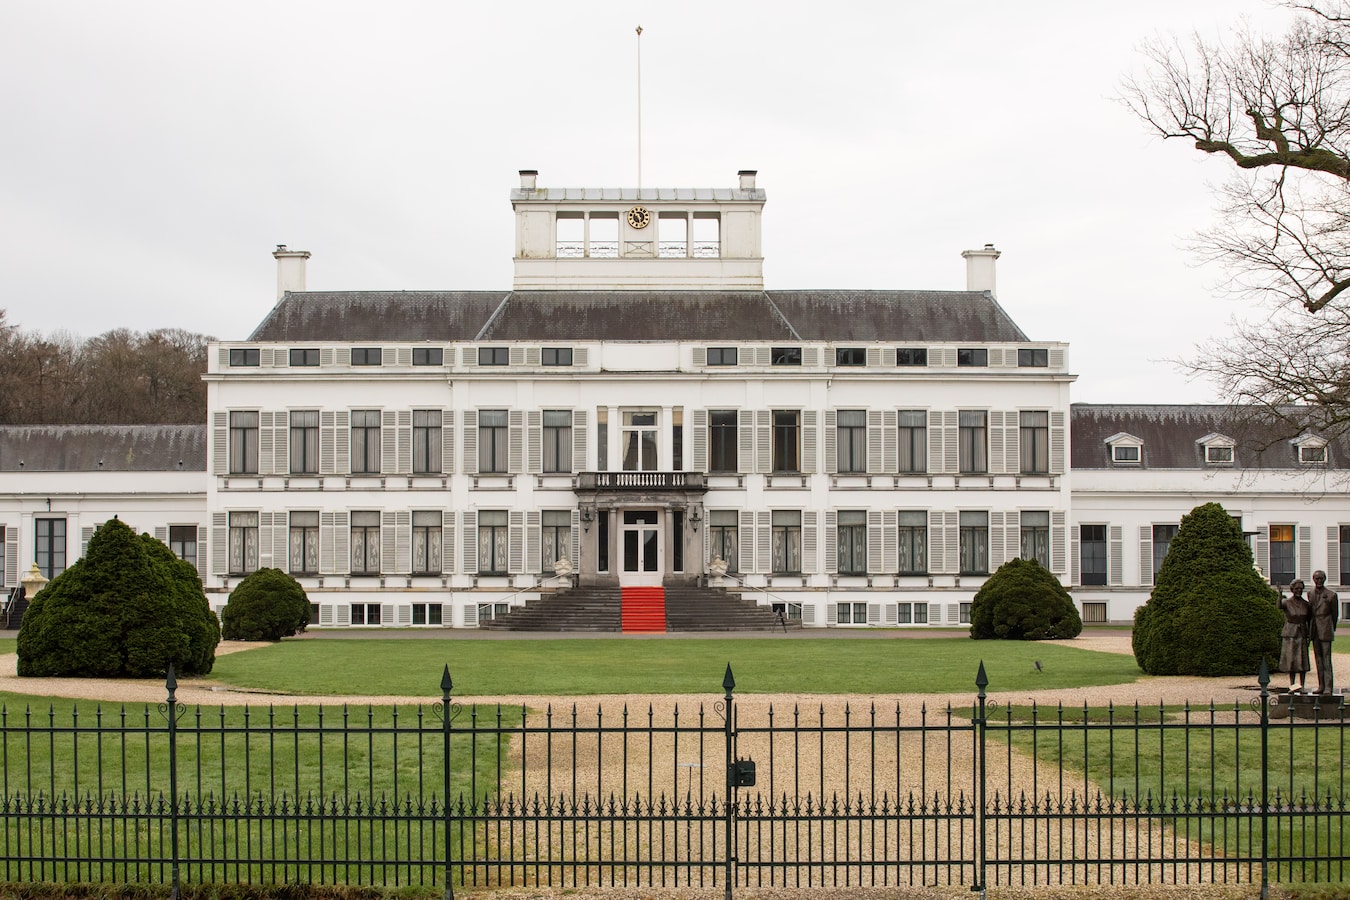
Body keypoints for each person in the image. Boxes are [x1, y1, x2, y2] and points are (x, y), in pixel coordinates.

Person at [1308, 570, 1339, 695]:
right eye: (1317, 578)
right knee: (1318, 659)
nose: (1319, 581)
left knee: (1326, 659)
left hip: (1325, 629)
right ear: (1313, 579)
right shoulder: (1310, 594)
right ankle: (1321, 685)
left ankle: (1328, 687)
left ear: (1324, 579)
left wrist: (1331, 628)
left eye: (1321, 578)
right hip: (1315, 629)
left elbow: (1335, 615)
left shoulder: (1331, 595)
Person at [1278, 579, 1311, 694]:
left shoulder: (1306, 604)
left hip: (1302, 633)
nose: (1299, 591)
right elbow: (1279, 606)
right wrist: (1279, 594)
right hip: (1290, 633)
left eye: (1300, 589)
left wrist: (1309, 635)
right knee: (1291, 660)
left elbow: (1309, 620)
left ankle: (1302, 685)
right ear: (1292, 590)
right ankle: (1292, 685)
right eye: (1296, 589)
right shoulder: (1287, 602)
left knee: (1302, 660)